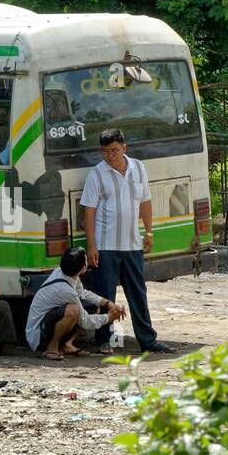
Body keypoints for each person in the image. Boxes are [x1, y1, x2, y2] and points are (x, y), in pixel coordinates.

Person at [79, 127, 173, 354]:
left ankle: (147, 341)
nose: (110, 156)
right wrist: (91, 245)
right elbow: (89, 212)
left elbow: (146, 202)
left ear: (124, 148)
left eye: (114, 151)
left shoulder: (139, 168)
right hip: (105, 245)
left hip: (132, 243)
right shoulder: (97, 174)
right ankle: (104, 340)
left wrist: (149, 232)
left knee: (138, 293)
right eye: (105, 152)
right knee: (104, 295)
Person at [24, 246, 125, 361]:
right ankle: (51, 348)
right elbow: (86, 322)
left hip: (46, 324)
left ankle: (67, 344)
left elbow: (83, 293)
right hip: (37, 337)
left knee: (91, 307)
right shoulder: (65, 290)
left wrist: (107, 303)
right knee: (74, 310)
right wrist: (110, 317)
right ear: (83, 268)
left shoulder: (65, 273)